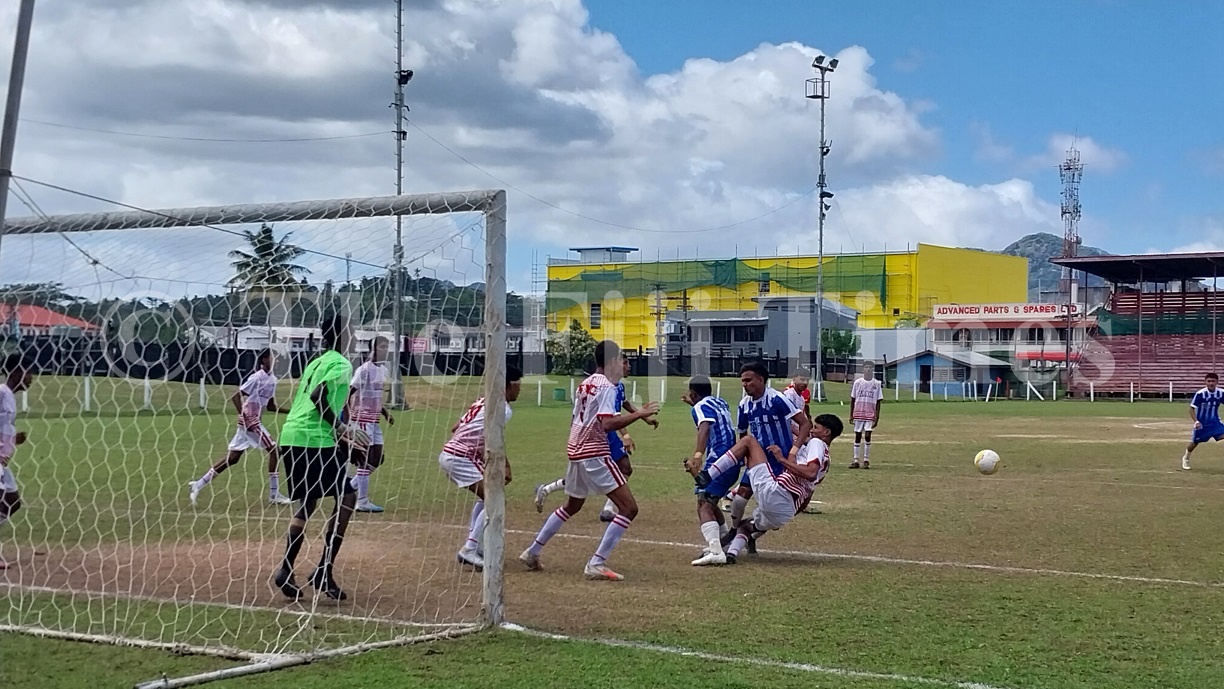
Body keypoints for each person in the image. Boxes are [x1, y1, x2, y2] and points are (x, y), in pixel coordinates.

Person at [519, 340, 658, 581]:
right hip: (594, 452)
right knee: (629, 508)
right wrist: (639, 414)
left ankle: (532, 551)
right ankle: (597, 562)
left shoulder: (585, 384)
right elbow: (607, 424)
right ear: (612, 361)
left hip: (575, 449)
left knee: (572, 506)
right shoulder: (607, 386)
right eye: (621, 359)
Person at [271, 313, 370, 602]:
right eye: (351, 331)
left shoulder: (316, 361)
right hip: (313, 440)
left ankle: (286, 570)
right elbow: (318, 397)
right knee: (348, 496)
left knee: (308, 502)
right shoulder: (341, 363)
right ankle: (323, 570)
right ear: (343, 335)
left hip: (291, 435)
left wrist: (339, 435)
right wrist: (341, 428)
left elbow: (312, 399)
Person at [533, 352, 657, 520]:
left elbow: (624, 403)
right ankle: (609, 508)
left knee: (610, 471)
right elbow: (612, 417)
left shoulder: (618, 386)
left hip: (602, 432)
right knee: (620, 469)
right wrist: (626, 435)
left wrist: (645, 417)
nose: (629, 366)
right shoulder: (607, 386)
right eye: (625, 363)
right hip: (602, 434)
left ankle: (549, 489)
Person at [707, 413, 843, 563]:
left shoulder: (817, 443)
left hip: (778, 492)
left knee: (749, 442)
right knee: (746, 526)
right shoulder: (826, 458)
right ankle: (731, 554)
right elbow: (810, 490)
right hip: (786, 510)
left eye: (816, 427)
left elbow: (811, 473)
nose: (812, 430)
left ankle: (708, 475)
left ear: (826, 432)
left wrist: (782, 459)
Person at [438, 366, 523, 571]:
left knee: (487, 497)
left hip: (450, 454)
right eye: (518, 385)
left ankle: (476, 547)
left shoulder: (482, 400)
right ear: (507, 386)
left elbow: (455, 427)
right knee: (495, 500)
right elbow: (493, 441)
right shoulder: (503, 409)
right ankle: (470, 548)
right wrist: (506, 466)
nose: (519, 391)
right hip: (461, 458)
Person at [723, 362, 811, 550]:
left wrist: (794, 451)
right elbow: (743, 434)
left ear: (761, 380)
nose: (745, 384)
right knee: (738, 500)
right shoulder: (744, 404)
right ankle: (735, 529)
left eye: (748, 380)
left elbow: (805, 424)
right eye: (742, 381)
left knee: (770, 510)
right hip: (757, 461)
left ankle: (751, 534)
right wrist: (746, 456)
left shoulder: (777, 399)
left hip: (780, 462)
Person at [188, 349, 290, 505]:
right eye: (271, 357)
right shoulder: (256, 378)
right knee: (275, 450)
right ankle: (274, 495)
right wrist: (243, 415)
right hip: (250, 421)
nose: (274, 360)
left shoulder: (273, 380)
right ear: (263, 360)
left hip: (253, 422)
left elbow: (270, 406)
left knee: (233, 458)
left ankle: (198, 484)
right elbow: (236, 396)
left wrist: (291, 412)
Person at [680, 375, 738, 566]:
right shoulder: (720, 402)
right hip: (734, 458)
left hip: (719, 460)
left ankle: (716, 551)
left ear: (693, 393)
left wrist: (697, 455)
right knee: (710, 501)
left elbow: (704, 426)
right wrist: (694, 404)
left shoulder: (700, 406)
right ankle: (724, 542)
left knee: (703, 502)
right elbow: (712, 418)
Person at [348, 336, 395, 513]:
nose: (385, 350)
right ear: (373, 348)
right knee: (365, 459)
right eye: (382, 346)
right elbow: (349, 394)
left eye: (386, 347)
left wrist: (385, 413)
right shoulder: (364, 370)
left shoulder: (383, 370)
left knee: (378, 458)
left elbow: (375, 397)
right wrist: (348, 418)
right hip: (361, 420)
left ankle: (350, 486)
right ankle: (362, 501)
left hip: (374, 420)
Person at [0, 354, 32, 570]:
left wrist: (13, 439)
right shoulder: (1, 392)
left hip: (2, 462)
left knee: (12, 501)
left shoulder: (9, 396)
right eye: (28, 372)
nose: (31, 378)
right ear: (16, 372)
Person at [1182, 372, 1224, 471]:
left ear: (1217, 382)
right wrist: (1196, 421)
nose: (1211, 383)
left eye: (1213, 381)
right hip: (1202, 424)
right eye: (1209, 381)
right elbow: (1191, 409)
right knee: (1195, 442)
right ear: (1205, 382)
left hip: (1215, 422)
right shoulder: (1200, 394)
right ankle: (1186, 458)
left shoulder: (1221, 393)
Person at [848, 360, 883, 469]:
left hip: (869, 413)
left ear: (873, 369)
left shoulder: (876, 384)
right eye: (866, 367)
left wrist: (877, 417)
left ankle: (866, 459)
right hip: (859, 413)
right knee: (858, 435)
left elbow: (878, 401)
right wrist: (851, 414)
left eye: (870, 367)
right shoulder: (857, 383)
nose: (868, 369)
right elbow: (853, 399)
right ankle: (856, 460)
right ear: (863, 369)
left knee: (867, 435)